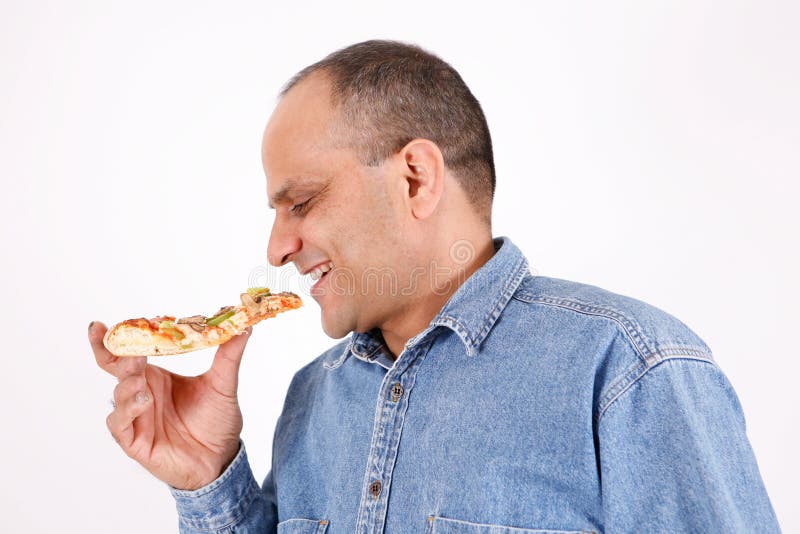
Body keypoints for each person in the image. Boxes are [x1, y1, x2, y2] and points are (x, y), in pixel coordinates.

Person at [89, 40, 780, 533]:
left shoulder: (630, 368)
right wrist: (209, 477)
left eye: (300, 202)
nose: (276, 247)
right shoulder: (313, 398)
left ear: (415, 178)